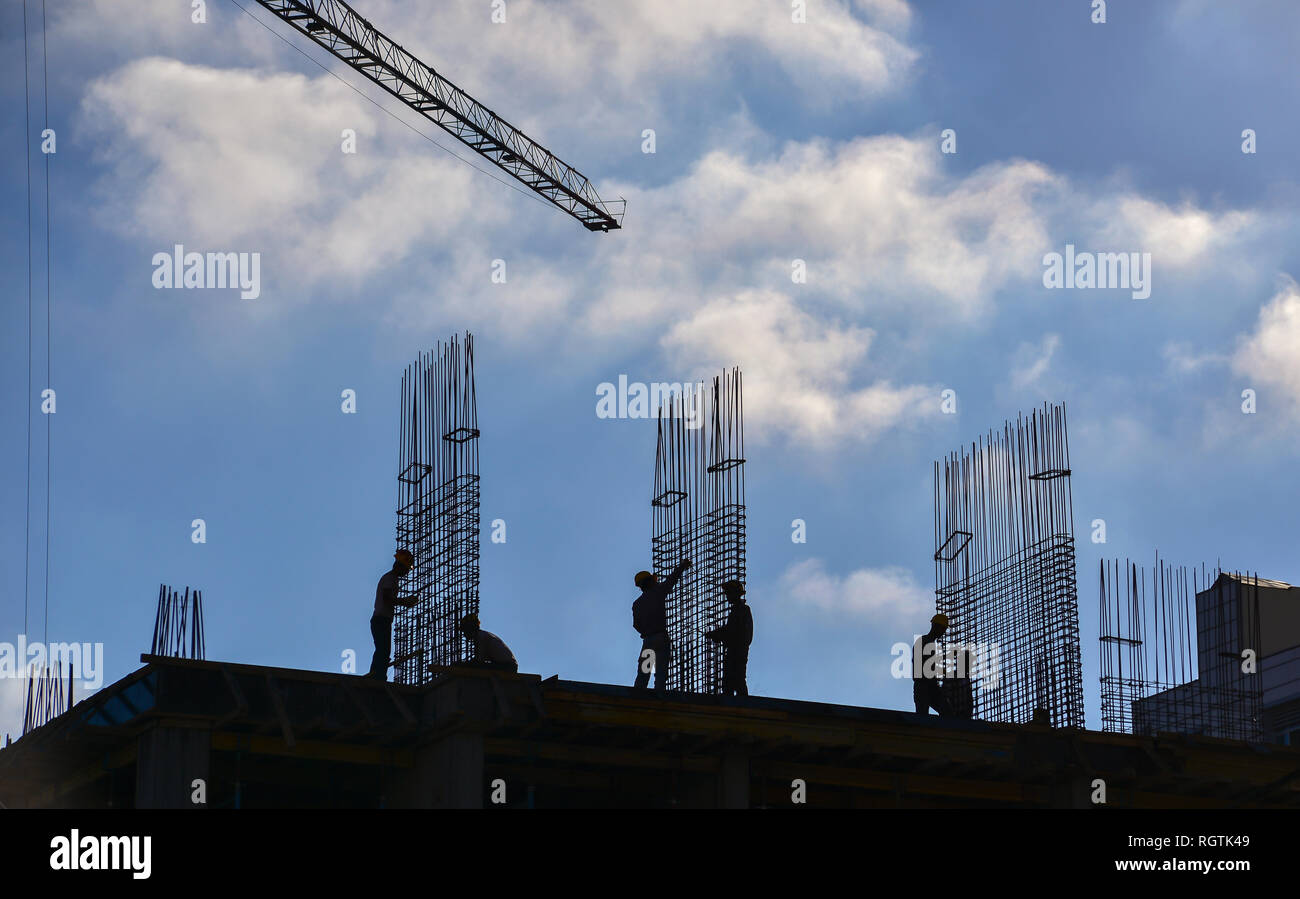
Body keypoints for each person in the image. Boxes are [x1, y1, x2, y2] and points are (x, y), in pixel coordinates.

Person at [632, 559, 691, 691]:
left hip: (648, 642)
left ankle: (638, 698)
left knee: (644, 672)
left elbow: (636, 625)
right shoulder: (657, 592)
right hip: (661, 639)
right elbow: (671, 580)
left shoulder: (637, 604)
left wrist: (647, 630)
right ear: (650, 581)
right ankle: (659, 698)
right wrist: (682, 566)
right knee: (660, 673)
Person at [369, 549, 418, 680]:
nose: (407, 572)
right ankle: (377, 676)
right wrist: (404, 601)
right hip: (381, 619)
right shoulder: (391, 578)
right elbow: (387, 598)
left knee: (383, 650)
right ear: (401, 566)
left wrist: (404, 602)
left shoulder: (391, 578)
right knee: (383, 650)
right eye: (407, 569)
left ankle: (377, 674)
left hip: (382, 619)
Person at [705, 580, 753, 697]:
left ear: (735, 593)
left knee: (737, 680)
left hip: (737, 652)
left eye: (728, 593)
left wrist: (719, 635)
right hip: (735, 650)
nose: (727, 596)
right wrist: (719, 635)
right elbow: (730, 630)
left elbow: (734, 631)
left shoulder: (742, 610)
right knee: (729, 682)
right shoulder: (738, 611)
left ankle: (740, 707)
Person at [912, 613, 953, 716]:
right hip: (923, 685)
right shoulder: (924, 641)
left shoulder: (929, 643)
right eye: (942, 629)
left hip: (929, 685)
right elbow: (924, 666)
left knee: (946, 711)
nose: (943, 632)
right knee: (923, 717)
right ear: (935, 626)